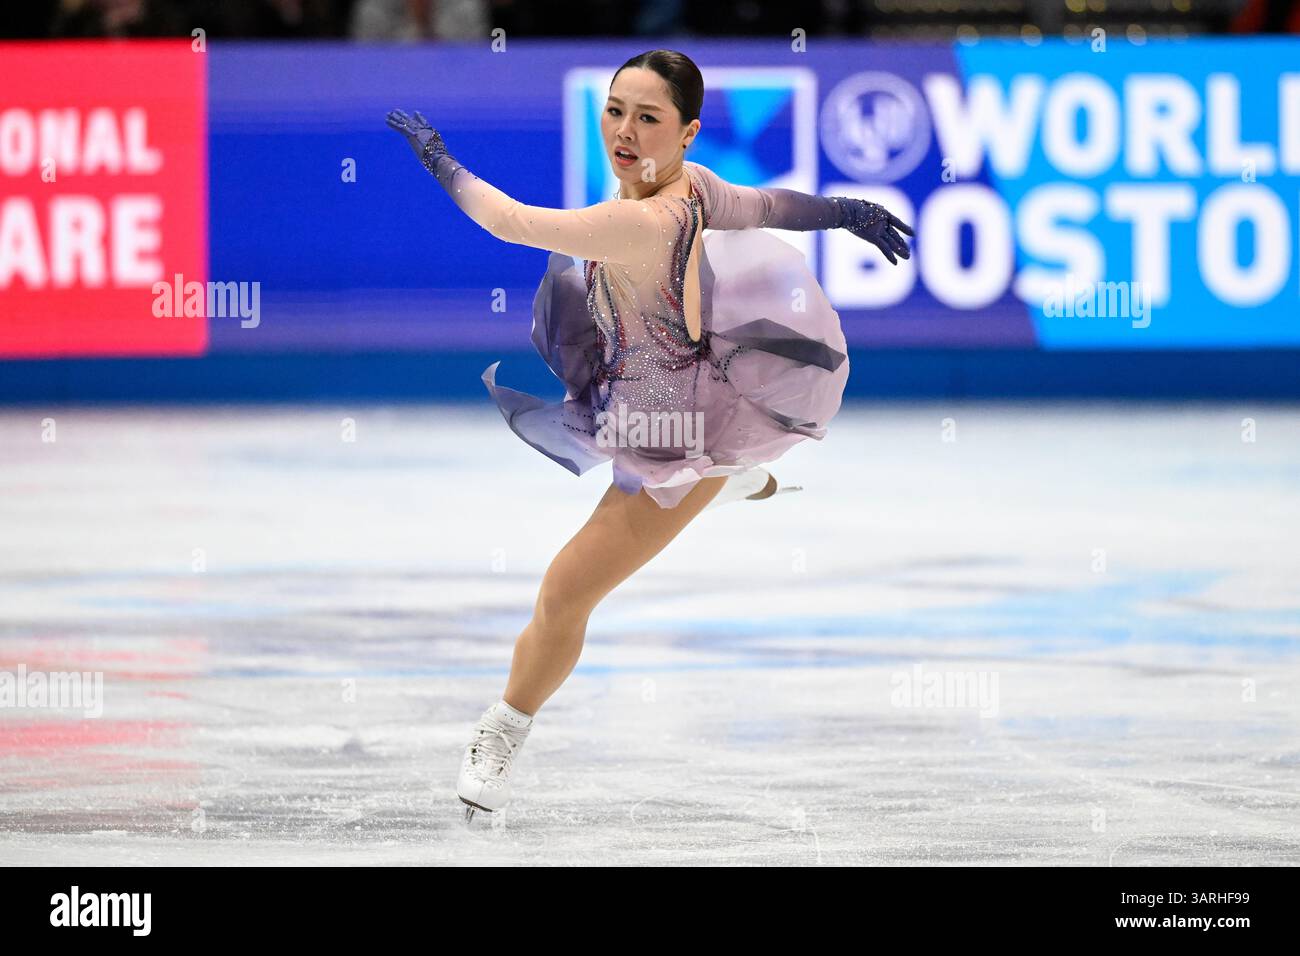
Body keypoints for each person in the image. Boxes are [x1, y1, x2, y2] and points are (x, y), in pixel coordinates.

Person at [386, 49, 912, 821]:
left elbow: (510, 222)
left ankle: (501, 733)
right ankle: (734, 477)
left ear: (689, 131)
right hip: (643, 394)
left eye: (648, 118)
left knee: (564, 592)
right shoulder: (693, 188)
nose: (624, 132)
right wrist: (843, 211)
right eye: (615, 110)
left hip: (675, 434)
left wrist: (437, 159)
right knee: (589, 567)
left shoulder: (644, 218)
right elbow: (768, 207)